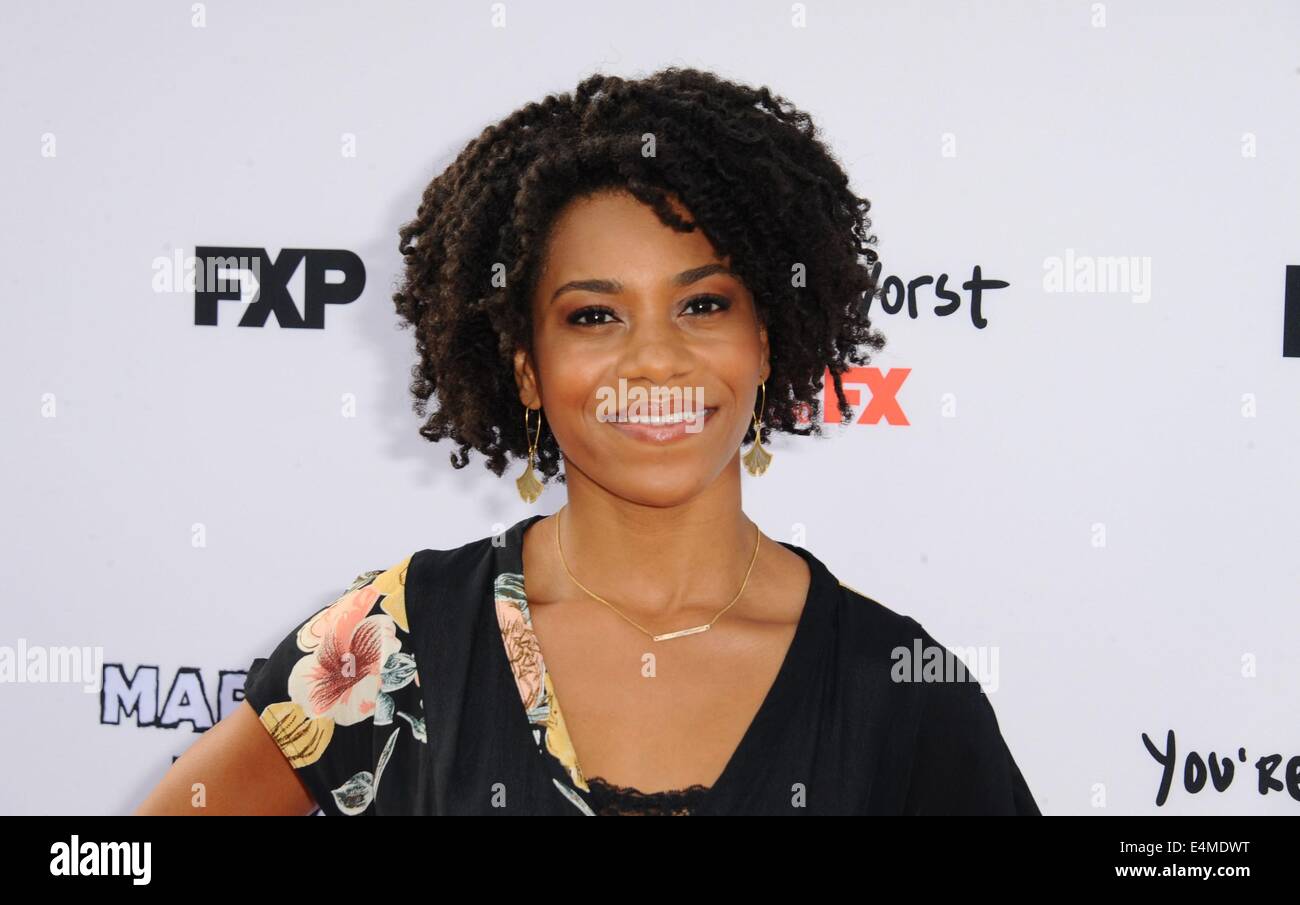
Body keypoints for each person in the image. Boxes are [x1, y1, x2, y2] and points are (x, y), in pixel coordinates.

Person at [136, 67, 1039, 816]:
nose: (654, 359)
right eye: (595, 315)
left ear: (766, 341)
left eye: (703, 304)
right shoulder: (404, 639)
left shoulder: (900, 691)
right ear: (527, 369)